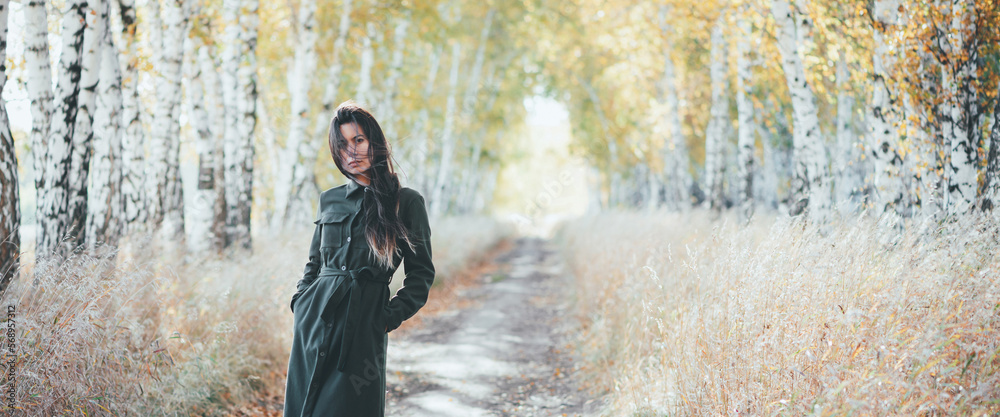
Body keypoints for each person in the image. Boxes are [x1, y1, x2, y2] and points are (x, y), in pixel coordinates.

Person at [283, 101, 436, 417]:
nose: (351, 152)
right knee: (305, 407)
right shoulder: (329, 199)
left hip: (361, 327)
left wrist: (385, 318)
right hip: (314, 321)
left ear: (374, 142)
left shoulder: (405, 202)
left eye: (359, 140)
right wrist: (300, 303)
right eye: (343, 145)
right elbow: (314, 262)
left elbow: (421, 275)